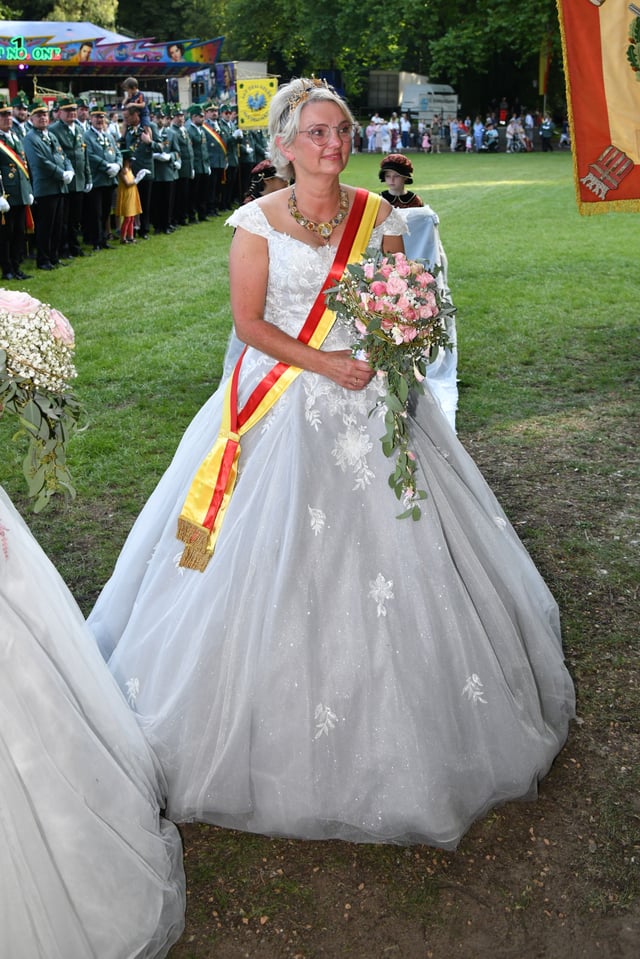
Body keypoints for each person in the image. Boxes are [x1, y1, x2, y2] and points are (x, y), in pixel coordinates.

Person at [89, 77, 575, 849]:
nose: (333, 144)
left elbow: (399, 299)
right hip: (283, 398)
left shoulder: (379, 214)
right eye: (316, 132)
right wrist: (324, 362)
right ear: (285, 144)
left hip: (370, 395)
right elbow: (250, 324)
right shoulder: (256, 222)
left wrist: (400, 333)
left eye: (342, 131)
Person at [22, 98, 74, 271]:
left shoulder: (51, 135)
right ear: (31, 118)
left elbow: (63, 156)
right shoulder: (30, 138)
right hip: (45, 188)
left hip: (59, 187)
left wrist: (69, 170)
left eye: (44, 114)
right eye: (38, 115)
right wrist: (61, 173)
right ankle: (43, 259)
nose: (42, 118)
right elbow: (40, 162)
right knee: (46, 226)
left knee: (58, 225)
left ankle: (54, 256)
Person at [0, 95, 33, 280]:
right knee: (6, 234)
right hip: (6, 194)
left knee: (19, 232)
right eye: (3, 115)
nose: (7, 118)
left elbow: (24, 166)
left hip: (20, 192)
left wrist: (28, 190)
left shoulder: (16, 137)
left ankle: (16, 266)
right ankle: (7, 269)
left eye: (8, 115)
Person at [115, 149, 143, 243]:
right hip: (126, 195)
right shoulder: (122, 171)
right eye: (129, 161)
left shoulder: (130, 170)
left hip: (131, 194)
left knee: (131, 218)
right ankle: (123, 238)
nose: (130, 163)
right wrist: (136, 180)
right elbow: (127, 183)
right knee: (127, 218)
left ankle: (130, 236)